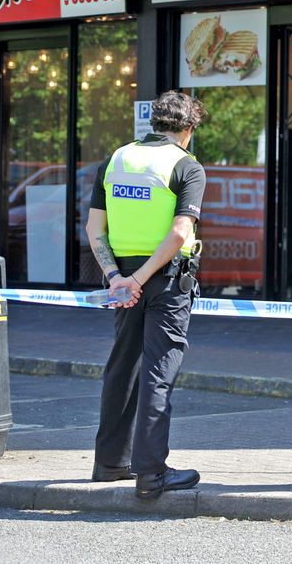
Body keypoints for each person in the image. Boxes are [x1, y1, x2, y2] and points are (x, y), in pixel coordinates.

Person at [85, 90, 207, 500]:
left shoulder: (115, 159)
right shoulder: (186, 166)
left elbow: (94, 229)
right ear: (188, 130)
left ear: (153, 123)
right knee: (159, 372)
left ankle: (109, 462)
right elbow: (179, 233)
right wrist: (139, 278)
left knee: (123, 366)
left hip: (122, 281)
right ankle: (151, 473)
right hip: (166, 282)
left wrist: (117, 277)